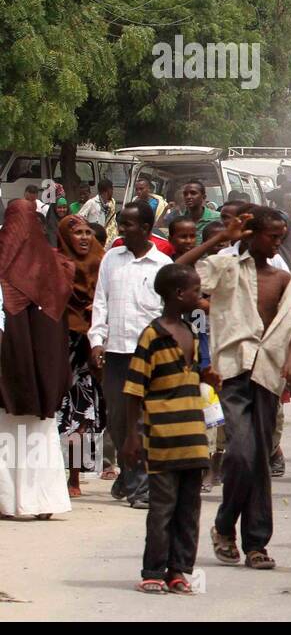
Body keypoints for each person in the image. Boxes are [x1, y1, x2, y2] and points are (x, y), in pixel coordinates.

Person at [176, 208, 291, 570]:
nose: (277, 242)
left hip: (268, 374)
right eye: (271, 236)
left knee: (259, 460)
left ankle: (255, 543)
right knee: (241, 454)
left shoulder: (282, 278)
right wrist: (220, 238)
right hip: (232, 372)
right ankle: (223, 525)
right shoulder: (228, 267)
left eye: (281, 236)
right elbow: (177, 274)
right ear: (251, 235)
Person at [120, 263, 210, 594]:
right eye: (196, 290)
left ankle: (179, 571)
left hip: (194, 440)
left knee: (189, 511)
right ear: (177, 294)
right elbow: (134, 389)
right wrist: (133, 435)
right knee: (162, 509)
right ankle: (153, 570)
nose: (200, 295)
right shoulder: (152, 336)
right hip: (162, 439)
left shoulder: (193, 332)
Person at [90, 200, 170, 509]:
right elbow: (101, 301)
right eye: (121, 224)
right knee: (119, 423)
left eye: (128, 225)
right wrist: (96, 340)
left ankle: (140, 487)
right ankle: (128, 472)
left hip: (148, 355)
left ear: (146, 228)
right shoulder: (112, 258)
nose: (121, 229)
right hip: (116, 352)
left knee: (143, 423)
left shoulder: (162, 265)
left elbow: (167, 312)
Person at [0, 199, 75, 520]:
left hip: (9, 372)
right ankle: (42, 503)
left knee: (7, 436)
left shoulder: (5, 267)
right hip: (42, 375)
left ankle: (10, 502)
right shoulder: (55, 267)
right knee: (39, 438)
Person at [56, 216, 105, 498]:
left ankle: (74, 476)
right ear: (65, 236)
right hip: (61, 346)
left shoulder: (103, 263)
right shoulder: (55, 265)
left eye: (88, 232)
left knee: (83, 414)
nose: (85, 237)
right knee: (55, 414)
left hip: (91, 349)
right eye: (77, 233)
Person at [78, 178, 119, 246]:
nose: (112, 192)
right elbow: (79, 217)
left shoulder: (112, 203)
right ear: (108, 191)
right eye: (112, 189)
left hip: (109, 240)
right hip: (95, 238)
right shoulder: (92, 203)